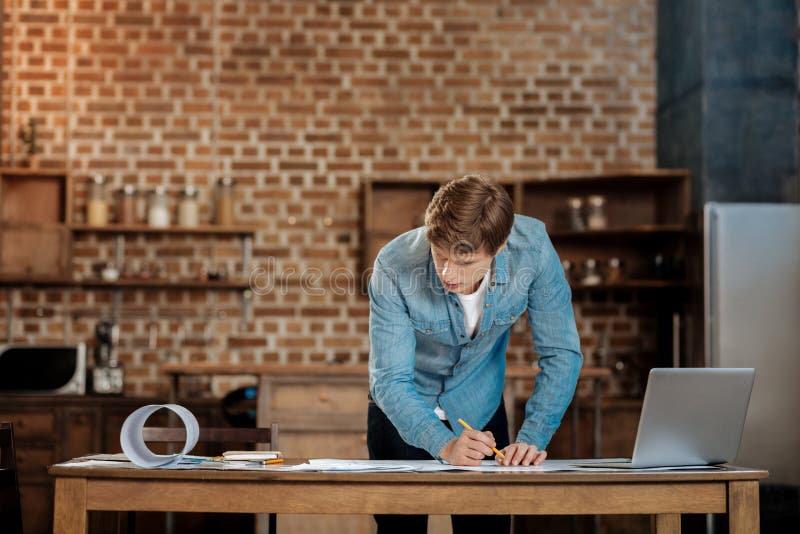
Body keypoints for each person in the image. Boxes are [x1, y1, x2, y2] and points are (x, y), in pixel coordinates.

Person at [367, 174, 583, 534]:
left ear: (499, 249)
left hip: (479, 404)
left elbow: (561, 353)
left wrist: (532, 439)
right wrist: (443, 443)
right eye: (440, 256)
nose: (449, 274)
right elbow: (390, 380)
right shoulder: (393, 264)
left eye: (465, 263)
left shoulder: (532, 250)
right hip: (401, 411)